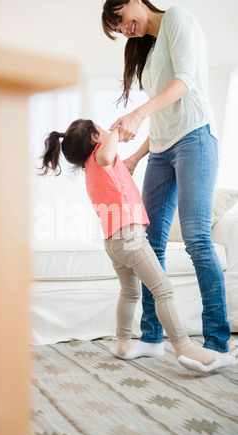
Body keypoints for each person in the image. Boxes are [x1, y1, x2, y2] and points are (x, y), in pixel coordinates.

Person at [102, 0, 231, 372]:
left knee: (196, 238)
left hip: (195, 140)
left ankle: (218, 345)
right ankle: (153, 338)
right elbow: (163, 119)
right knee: (148, 245)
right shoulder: (151, 48)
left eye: (120, 19)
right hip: (160, 150)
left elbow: (185, 81)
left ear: (132, 2)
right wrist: (137, 156)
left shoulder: (176, 17)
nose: (124, 29)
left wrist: (138, 113)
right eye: (118, 29)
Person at [39, 118, 218, 372]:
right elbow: (108, 150)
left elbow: (111, 160)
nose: (106, 131)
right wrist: (116, 131)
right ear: (94, 138)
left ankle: (123, 342)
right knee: (163, 289)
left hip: (114, 242)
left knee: (130, 292)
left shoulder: (93, 168)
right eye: (100, 129)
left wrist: (119, 143)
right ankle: (183, 345)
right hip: (130, 238)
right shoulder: (102, 157)